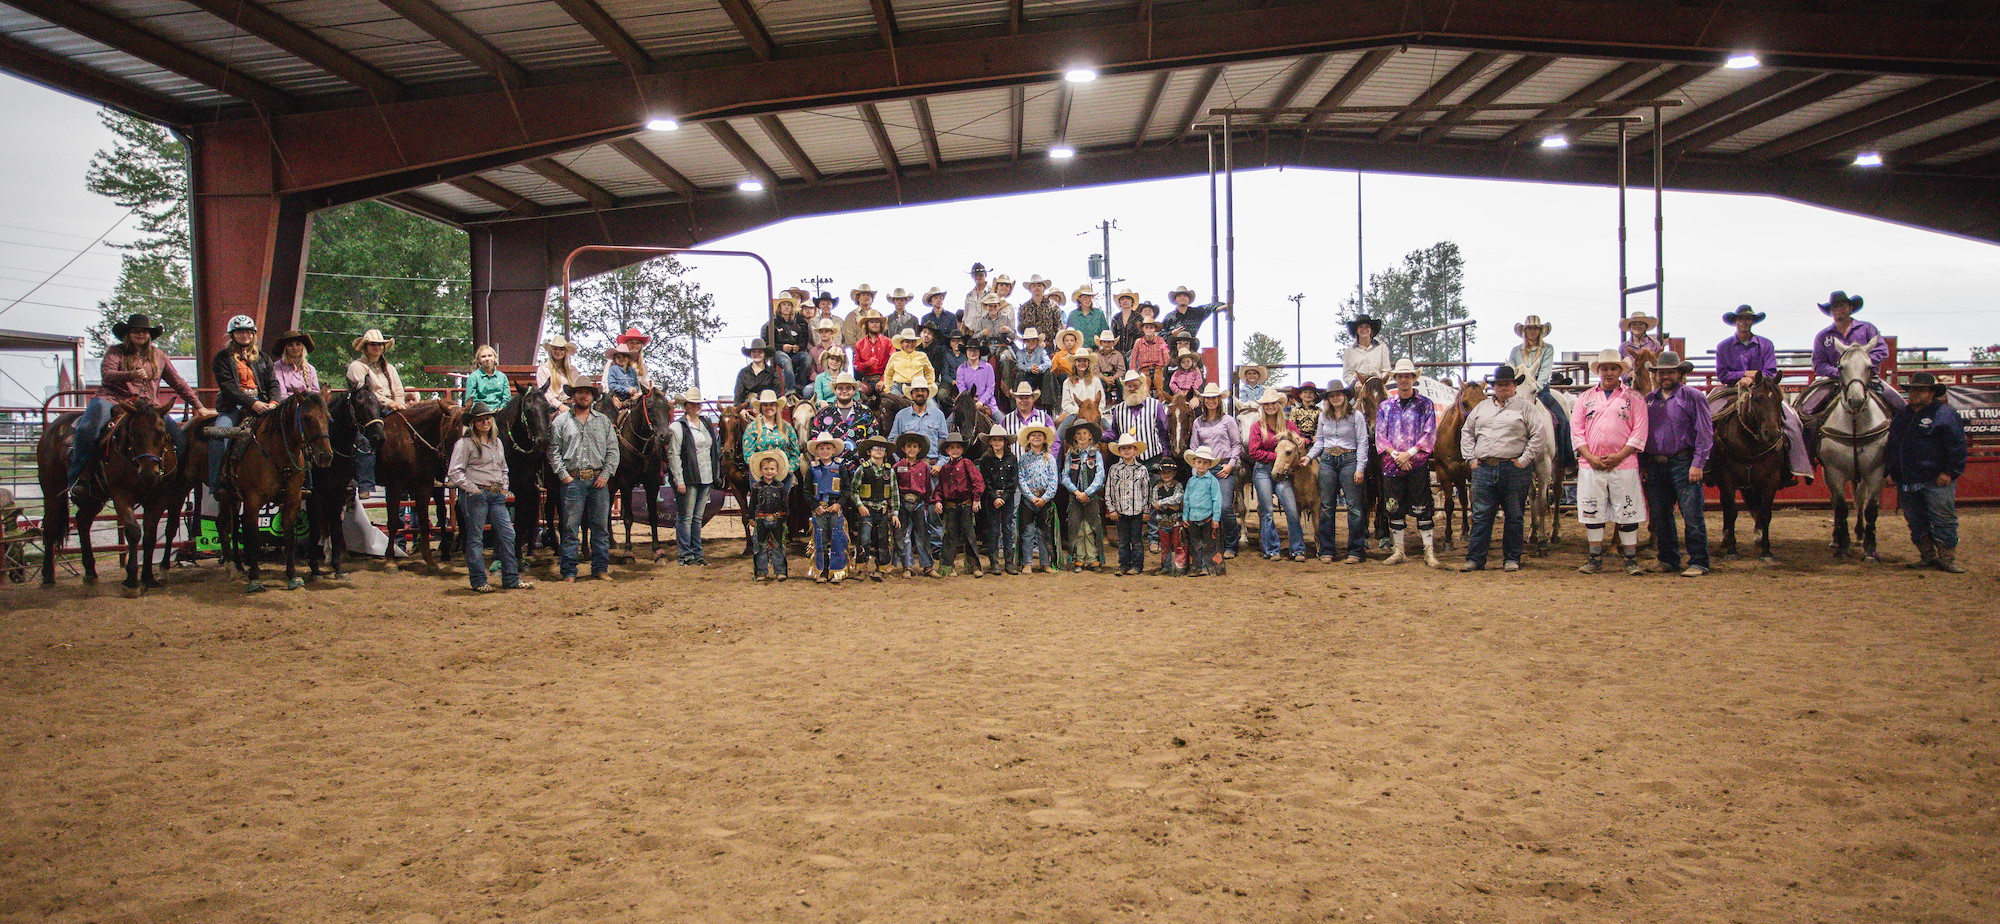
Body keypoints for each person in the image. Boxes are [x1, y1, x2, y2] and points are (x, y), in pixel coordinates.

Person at [68, 313, 204, 490]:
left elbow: (178, 382)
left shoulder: (159, 356)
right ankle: (80, 478)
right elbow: (107, 375)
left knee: (180, 440)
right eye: (135, 331)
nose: (141, 334)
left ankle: (174, 484)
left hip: (148, 406)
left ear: (150, 335)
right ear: (128, 334)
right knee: (88, 430)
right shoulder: (115, 352)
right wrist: (129, 375)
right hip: (112, 399)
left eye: (145, 332)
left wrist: (198, 406)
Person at [1456, 364, 1545, 572]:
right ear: (1494, 387)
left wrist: (1524, 459)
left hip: (1513, 467)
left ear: (1514, 385)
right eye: (1499, 384)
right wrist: (1471, 459)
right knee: (1481, 516)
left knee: (1514, 515)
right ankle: (1475, 558)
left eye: (1507, 384)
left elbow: (1538, 436)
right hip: (1484, 467)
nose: (1503, 388)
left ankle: (1512, 558)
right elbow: (1467, 432)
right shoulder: (1481, 408)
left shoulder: (1526, 408)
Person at [1572, 348, 1651, 576]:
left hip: (1624, 463)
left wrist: (1619, 455)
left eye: (1613, 368)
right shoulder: (1585, 398)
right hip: (1591, 464)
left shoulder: (1634, 398)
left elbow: (1639, 431)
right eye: (1604, 368)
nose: (1608, 372)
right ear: (1599, 371)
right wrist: (1589, 456)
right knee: (1592, 511)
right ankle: (1595, 558)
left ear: (1620, 371)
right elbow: (1577, 431)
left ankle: (1630, 559)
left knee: (1627, 511)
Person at [1713, 305, 1814, 482]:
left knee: (1793, 421)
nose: (1744, 322)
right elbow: (1722, 374)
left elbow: (1770, 371)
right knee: (1708, 415)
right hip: (1730, 388)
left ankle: (1797, 467)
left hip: (1763, 389)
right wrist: (1743, 375)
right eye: (1741, 319)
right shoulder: (1723, 346)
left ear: (1752, 321)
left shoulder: (1765, 344)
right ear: (1735, 322)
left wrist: (1753, 378)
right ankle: (1708, 466)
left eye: (1748, 319)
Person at [1640, 351, 1713, 577]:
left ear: (1680, 373)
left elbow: (1704, 432)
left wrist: (1698, 463)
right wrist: (1643, 464)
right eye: (1662, 373)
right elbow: (1643, 434)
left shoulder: (1693, 397)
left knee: (1692, 514)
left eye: (1670, 372)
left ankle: (1699, 561)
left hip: (1684, 460)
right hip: (1655, 463)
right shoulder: (1649, 400)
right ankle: (1668, 558)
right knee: (1661, 515)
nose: (1665, 377)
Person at [448, 401, 533, 592]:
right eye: (481, 420)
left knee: (507, 534)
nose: (485, 422)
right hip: (476, 493)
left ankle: (511, 577)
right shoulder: (465, 443)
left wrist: (504, 486)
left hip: (494, 493)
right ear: (474, 423)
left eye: (487, 419)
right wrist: (472, 488)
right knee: (476, 537)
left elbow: (504, 468)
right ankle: (479, 581)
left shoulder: (497, 442)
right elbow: (454, 471)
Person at [1887, 372, 1967, 573]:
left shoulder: (1944, 415)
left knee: (1942, 517)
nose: (1914, 394)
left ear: (1932, 393)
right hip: (1907, 478)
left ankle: (1946, 558)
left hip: (1935, 478)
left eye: (1920, 390)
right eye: (1912, 390)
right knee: (1916, 520)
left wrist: (1949, 472)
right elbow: (1893, 445)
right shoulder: (1903, 416)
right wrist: (1890, 470)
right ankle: (1928, 556)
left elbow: (1957, 445)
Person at [548, 381, 619, 582]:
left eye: (587, 393)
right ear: (573, 396)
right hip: (573, 479)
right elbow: (553, 451)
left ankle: (600, 568)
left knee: (600, 527)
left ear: (593, 397)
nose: (584, 396)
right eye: (580, 392)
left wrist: (605, 474)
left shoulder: (603, 422)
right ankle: (569, 571)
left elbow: (613, 451)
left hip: (598, 478)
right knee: (570, 528)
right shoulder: (560, 422)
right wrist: (564, 475)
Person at [1376, 359, 1439, 568]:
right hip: (1392, 464)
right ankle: (1399, 550)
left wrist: (1408, 454)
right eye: (1400, 376)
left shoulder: (1425, 404)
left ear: (1413, 378)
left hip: (1416, 463)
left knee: (1423, 506)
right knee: (1394, 507)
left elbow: (1429, 433)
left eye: (1407, 376)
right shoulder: (1385, 406)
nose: (1404, 380)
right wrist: (1397, 456)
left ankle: (1428, 551)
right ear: (1395, 379)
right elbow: (1380, 436)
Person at [1805, 289, 1906, 419]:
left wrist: (1860, 366)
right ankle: (1808, 437)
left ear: (1850, 308)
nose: (1838, 309)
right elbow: (1818, 364)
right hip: (1833, 381)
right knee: (1806, 410)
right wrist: (1839, 372)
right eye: (1834, 307)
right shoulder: (1823, 336)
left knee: (1902, 408)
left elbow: (1881, 350)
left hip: (1868, 379)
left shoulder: (1867, 328)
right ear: (1830, 311)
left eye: (1842, 306)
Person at [207, 314, 278, 490]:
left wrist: (274, 402)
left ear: (253, 334)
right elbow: (228, 386)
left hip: (264, 405)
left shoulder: (263, 358)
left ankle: (301, 482)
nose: (244, 335)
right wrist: (252, 404)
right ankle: (218, 483)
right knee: (219, 435)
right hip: (233, 407)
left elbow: (273, 383)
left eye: (247, 332)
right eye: (239, 332)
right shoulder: (222, 358)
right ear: (232, 335)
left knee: (290, 432)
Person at [1306, 382, 1371, 564]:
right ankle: (1327, 550)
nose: (1335, 398)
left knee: (1354, 507)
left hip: (1349, 459)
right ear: (1328, 398)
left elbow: (1362, 442)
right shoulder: (1323, 417)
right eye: (1331, 395)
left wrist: (1360, 468)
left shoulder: (1355, 416)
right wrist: (1309, 456)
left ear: (1344, 396)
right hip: (1327, 459)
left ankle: (1356, 550)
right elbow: (1319, 441)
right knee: (1326, 506)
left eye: (1338, 394)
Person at [1246, 387, 1306, 561]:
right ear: (1263, 407)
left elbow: (1301, 440)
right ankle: (1271, 549)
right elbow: (1253, 451)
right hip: (1263, 469)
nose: (1270, 406)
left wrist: (1303, 440)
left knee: (1291, 509)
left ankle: (1297, 549)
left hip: (1283, 471)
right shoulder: (1257, 427)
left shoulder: (1288, 425)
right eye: (1267, 404)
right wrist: (1278, 456)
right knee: (1267, 510)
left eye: (1273, 403)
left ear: (1279, 405)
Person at [346, 328, 406, 498]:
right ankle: (366, 483)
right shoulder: (357, 367)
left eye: (380, 344)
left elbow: (399, 390)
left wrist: (399, 404)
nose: (377, 347)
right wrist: (390, 402)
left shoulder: (390, 368)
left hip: (391, 408)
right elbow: (365, 394)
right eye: (373, 344)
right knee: (363, 439)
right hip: (366, 412)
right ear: (365, 346)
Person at [1508, 315, 1572, 467]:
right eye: (1529, 328)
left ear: (1540, 330)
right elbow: (1511, 371)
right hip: (1518, 391)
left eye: (1536, 328)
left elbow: (1545, 370)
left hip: (1540, 390)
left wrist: (1537, 387)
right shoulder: (1516, 351)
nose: (1532, 332)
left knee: (1562, 420)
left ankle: (1566, 459)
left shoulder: (1547, 349)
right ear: (1524, 330)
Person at [1189, 383, 1244, 558]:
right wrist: (1195, 467)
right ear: (1203, 401)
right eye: (1208, 398)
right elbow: (1194, 446)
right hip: (1204, 467)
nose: (1211, 401)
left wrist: (1231, 464)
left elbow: (1236, 444)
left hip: (1224, 466)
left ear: (1219, 400)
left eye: (1214, 398)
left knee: (1225, 506)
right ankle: (1209, 544)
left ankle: (1231, 544)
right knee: (1204, 506)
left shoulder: (1228, 420)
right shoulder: (1198, 422)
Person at [667, 388, 720, 566]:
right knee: (686, 517)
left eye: (698, 403)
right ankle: (686, 554)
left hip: (705, 475)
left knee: (696, 518)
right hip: (688, 477)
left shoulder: (704, 423)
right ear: (686, 406)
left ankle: (696, 552)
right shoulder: (677, 427)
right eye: (692, 404)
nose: (696, 406)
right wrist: (678, 480)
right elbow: (673, 455)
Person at [934, 432, 987, 577]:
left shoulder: (967, 464)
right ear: (947, 451)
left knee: (969, 536)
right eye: (952, 448)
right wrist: (938, 500)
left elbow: (978, 481)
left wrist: (976, 498)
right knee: (950, 536)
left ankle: (974, 566)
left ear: (962, 450)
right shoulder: (944, 469)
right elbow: (940, 488)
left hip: (966, 505)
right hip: (950, 506)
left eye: (958, 447)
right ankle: (947, 566)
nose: (955, 450)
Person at [847, 436, 898, 581]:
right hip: (867, 510)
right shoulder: (862, 469)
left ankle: (881, 568)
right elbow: (854, 490)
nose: (879, 451)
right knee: (863, 540)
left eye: (882, 448)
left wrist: (894, 512)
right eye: (876, 448)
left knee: (882, 540)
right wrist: (860, 505)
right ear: (869, 452)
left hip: (882, 510)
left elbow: (894, 494)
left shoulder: (890, 471)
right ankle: (861, 569)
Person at [805, 433, 850, 584]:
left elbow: (846, 489)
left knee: (838, 539)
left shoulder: (840, 467)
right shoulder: (812, 469)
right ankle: (822, 570)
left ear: (833, 450)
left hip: (835, 507)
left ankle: (837, 570)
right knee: (820, 539)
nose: (825, 451)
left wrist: (839, 504)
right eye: (822, 448)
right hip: (820, 509)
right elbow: (806, 491)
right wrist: (815, 506)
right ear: (817, 451)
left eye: (828, 448)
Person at [1061, 420, 1106, 571]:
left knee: (1091, 527)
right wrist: (1076, 492)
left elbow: (1100, 476)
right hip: (1075, 496)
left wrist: (1087, 492)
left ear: (1090, 436)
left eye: (1084, 433)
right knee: (1077, 528)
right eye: (1078, 434)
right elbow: (1065, 477)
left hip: (1091, 497)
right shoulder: (1070, 455)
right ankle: (1078, 558)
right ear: (1074, 437)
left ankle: (1093, 558)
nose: (1081, 436)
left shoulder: (1096, 455)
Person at [1015, 424, 1061, 573]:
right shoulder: (1023, 459)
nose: (1036, 438)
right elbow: (1020, 479)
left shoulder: (1050, 459)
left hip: (1045, 499)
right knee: (1027, 531)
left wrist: (1045, 497)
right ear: (1028, 439)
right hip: (1029, 499)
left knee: (1044, 531)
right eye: (1033, 435)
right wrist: (1030, 496)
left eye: (1039, 435)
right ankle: (1027, 562)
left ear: (1044, 439)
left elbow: (1054, 480)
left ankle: (1045, 563)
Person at [893, 433, 938, 578]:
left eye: (914, 447)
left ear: (919, 449)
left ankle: (927, 566)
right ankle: (907, 566)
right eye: (909, 447)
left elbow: (927, 486)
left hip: (919, 503)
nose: (911, 449)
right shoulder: (897, 467)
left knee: (923, 535)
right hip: (902, 503)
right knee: (903, 535)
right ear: (903, 449)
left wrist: (927, 503)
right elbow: (893, 487)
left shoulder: (924, 466)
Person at [810, 371, 874, 472]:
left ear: (854, 391)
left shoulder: (866, 412)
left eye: (848, 388)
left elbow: (873, 439)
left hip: (860, 468)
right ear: (835, 391)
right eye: (840, 388)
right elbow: (815, 436)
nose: (844, 391)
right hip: (831, 468)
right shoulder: (824, 413)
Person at [1105, 433, 1150, 576]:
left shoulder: (1142, 469)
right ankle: (1124, 565)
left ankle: (1137, 565)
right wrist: (1111, 508)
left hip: (1136, 510)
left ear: (1135, 450)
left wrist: (1146, 510)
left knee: (1136, 539)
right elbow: (1109, 489)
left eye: (1129, 448)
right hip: (1120, 510)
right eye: (1123, 448)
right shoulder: (1114, 469)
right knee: (1123, 540)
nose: (1126, 451)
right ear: (1119, 451)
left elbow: (1146, 490)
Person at [1105, 370, 1168, 470]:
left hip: (1153, 458)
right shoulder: (1118, 409)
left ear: (1142, 386)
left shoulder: (1156, 405)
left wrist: (1166, 455)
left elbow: (1163, 431)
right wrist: (1101, 436)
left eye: (1135, 385)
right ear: (1125, 388)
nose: (1132, 389)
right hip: (1128, 461)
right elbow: (1115, 432)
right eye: (1129, 386)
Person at [977, 427, 1019, 574]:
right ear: (990, 442)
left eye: (1000, 439)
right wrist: (995, 497)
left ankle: (1009, 562)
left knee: (1008, 528)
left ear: (1005, 442)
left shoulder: (1012, 458)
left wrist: (1005, 497)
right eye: (994, 439)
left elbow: (1013, 481)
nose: (997, 442)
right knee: (994, 530)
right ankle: (994, 562)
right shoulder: (985, 460)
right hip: (991, 498)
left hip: (1007, 498)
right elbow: (985, 481)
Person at [746, 449, 791, 581]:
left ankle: (780, 571)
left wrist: (785, 518)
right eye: (766, 469)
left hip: (777, 518)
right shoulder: (756, 487)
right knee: (760, 546)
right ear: (761, 471)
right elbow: (752, 503)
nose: (769, 471)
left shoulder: (781, 487)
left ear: (777, 471)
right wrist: (750, 517)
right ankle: (761, 572)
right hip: (761, 518)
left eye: (772, 469)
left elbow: (785, 504)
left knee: (778, 546)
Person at [742, 390, 804, 484]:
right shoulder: (752, 428)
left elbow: (795, 452)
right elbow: (748, 454)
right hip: (759, 476)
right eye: (765, 405)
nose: (769, 407)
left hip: (784, 475)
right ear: (761, 407)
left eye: (772, 404)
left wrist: (787, 469)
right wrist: (761, 471)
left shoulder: (787, 427)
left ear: (776, 407)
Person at [1182, 446, 1226, 576]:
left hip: (1207, 517)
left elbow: (1217, 500)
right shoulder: (1191, 481)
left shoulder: (1212, 481)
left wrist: (1216, 518)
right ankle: (1196, 567)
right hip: (1194, 517)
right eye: (1199, 462)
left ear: (1210, 464)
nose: (1201, 465)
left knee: (1209, 544)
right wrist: (1185, 516)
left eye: (1205, 462)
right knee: (1195, 544)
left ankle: (1208, 567)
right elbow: (1187, 500)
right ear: (1194, 463)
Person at [890, 377, 950, 461]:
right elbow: (892, 441)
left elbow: (945, 442)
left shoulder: (938, 415)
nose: (920, 393)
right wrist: (900, 461)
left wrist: (940, 464)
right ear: (911, 394)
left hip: (932, 464)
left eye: (923, 390)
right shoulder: (901, 415)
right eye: (916, 390)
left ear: (928, 394)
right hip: (908, 464)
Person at [763, 295, 813, 395]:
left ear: (791, 308)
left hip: (794, 354)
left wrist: (798, 347)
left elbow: (802, 343)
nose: (786, 307)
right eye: (784, 305)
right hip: (778, 352)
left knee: (807, 357)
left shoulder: (797, 325)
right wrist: (782, 347)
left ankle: (799, 386)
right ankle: (790, 390)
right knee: (786, 361)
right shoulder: (772, 324)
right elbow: (767, 344)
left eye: (788, 305)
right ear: (779, 308)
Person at [1000, 382, 1059, 458]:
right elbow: (999, 442)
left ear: (1033, 399)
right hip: (1013, 467)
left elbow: (1055, 442)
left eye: (1027, 398)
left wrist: (1049, 459)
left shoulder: (1044, 417)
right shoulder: (1006, 420)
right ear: (1016, 399)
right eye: (1020, 398)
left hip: (1039, 466)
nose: (1023, 401)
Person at [1152, 460, 1187, 576]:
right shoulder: (1157, 487)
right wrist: (1168, 505)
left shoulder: (1178, 486)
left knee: (1178, 545)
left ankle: (1179, 566)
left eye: (1169, 472)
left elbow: (1178, 498)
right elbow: (1153, 503)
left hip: (1176, 521)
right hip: (1162, 522)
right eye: (1163, 473)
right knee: (1164, 546)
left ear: (1174, 473)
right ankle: (1165, 566)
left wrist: (1161, 503)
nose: (1166, 475)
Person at [733, 339, 785, 410]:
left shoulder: (772, 372)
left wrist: (762, 405)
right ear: (751, 354)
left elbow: (777, 392)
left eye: (760, 352)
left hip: (768, 406)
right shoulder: (743, 372)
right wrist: (741, 410)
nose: (756, 354)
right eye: (754, 352)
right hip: (747, 408)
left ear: (764, 354)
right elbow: (738, 394)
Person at [601, 342, 652, 412]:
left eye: (624, 357)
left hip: (631, 398)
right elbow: (611, 385)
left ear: (628, 359)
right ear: (615, 359)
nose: (622, 359)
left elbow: (637, 384)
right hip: (618, 396)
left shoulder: (632, 371)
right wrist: (626, 390)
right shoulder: (613, 369)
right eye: (618, 357)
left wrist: (635, 391)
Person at [269, 330, 320, 399]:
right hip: (287, 406)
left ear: (303, 347)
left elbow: (316, 394)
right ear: (285, 349)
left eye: (298, 344)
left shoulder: (311, 369)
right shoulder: (277, 367)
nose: (295, 348)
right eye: (290, 345)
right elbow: (282, 395)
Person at [851, 309, 892, 393]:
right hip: (866, 380)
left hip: (884, 379)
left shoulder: (888, 342)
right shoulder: (860, 344)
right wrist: (867, 364)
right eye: (871, 322)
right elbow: (856, 365)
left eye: (877, 322)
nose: (874, 324)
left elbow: (893, 364)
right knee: (858, 393)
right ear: (867, 325)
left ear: (881, 325)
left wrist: (883, 379)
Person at [884, 331, 936, 396]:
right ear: (901, 343)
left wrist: (929, 384)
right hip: (898, 388)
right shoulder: (894, 356)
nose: (910, 344)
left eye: (912, 341)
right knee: (893, 404)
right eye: (907, 341)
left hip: (918, 387)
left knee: (933, 406)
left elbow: (930, 371)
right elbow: (888, 374)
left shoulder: (922, 356)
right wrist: (887, 389)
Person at [1343, 316, 1389, 386]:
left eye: (1367, 326)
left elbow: (1386, 369)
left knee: (1391, 396)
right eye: (1361, 327)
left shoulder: (1381, 347)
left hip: (1378, 384)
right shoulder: (1349, 351)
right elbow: (1346, 375)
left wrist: (1380, 381)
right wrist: (1355, 383)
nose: (1364, 329)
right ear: (1357, 330)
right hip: (1358, 385)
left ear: (1371, 330)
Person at [1130, 317, 1171, 396]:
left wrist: (1166, 370)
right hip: (1144, 370)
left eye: (1151, 327)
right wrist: (1133, 371)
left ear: (1155, 329)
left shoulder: (1161, 340)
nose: (1149, 329)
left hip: (1158, 369)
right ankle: (1147, 406)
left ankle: (1161, 406)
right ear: (1143, 329)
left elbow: (1166, 355)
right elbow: (1133, 357)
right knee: (1145, 391)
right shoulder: (1138, 342)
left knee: (1161, 391)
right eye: (1146, 327)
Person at [1018, 275, 1063, 346]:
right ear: (1030, 289)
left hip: (1049, 345)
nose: (1037, 288)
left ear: (1044, 288)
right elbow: (1021, 328)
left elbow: (1058, 327)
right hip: (1031, 346)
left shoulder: (1053, 306)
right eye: (1034, 286)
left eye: (1039, 285)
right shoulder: (1024, 308)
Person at [535, 336, 580, 408]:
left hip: (570, 405)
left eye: (561, 349)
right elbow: (545, 392)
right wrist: (559, 405)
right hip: (550, 406)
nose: (558, 352)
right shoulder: (543, 369)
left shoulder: (572, 370)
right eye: (555, 349)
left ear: (565, 352)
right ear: (551, 351)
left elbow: (577, 389)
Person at [1059, 349, 1105, 420]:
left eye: (1085, 361)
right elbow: (1066, 403)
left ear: (1088, 363)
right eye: (1079, 361)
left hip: (1094, 413)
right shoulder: (1067, 382)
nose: (1082, 363)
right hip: (1074, 413)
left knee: (1108, 428)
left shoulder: (1096, 381)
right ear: (1075, 363)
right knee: (1061, 429)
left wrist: (1095, 411)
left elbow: (1101, 401)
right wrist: (1079, 411)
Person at [956, 340, 1000, 412]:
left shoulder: (988, 367)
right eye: (970, 350)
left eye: (975, 350)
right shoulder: (961, 369)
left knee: (1002, 421)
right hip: (967, 404)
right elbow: (962, 389)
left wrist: (981, 402)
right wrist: (970, 400)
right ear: (966, 352)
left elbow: (990, 388)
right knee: (949, 422)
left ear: (979, 352)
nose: (972, 353)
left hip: (988, 404)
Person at [464, 344, 511, 410]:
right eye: (483, 356)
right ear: (478, 360)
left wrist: (501, 409)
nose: (487, 359)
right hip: (480, 412)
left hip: (500, 412)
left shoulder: (502, 377)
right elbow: (470, 401)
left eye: (490, 356)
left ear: (495, 358)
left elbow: (506, 399)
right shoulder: (473, 377)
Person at [1015, 328, 1054, 399]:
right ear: (1024, 342)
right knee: (1019, 373)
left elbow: (1048, 362)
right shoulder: (1020, 353)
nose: (1031, 343)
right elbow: (1019, 365)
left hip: (1039, 376)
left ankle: (1047, 402)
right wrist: (1030, 369)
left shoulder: (1041, 351)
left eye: (1033, 341)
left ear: (1037, 341)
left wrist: (1039, 368)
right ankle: (1018, 399)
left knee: (1048, 373)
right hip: (1026, 375)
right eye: (1028, 341)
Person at [1092, 330, 1127, 404]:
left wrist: (1113, 378)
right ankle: (1103, 401)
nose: (1107, 344)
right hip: (1102, 377)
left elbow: (1121, 370)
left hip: (1115, 376)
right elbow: (1095, 371)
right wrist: (1104, 378)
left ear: (1113, 343)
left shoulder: (1118, 355)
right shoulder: (1096, 355)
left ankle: (1121, 401)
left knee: (1121, 382)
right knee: (1098, 382)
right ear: (1101, 343)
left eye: (1109, 342)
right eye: (1104, 342)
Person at [1109, 288, 1144, 353]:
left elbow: (1141, 337)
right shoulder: (1115, 318)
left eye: (1128, 298)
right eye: (1122, 299)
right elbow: (1112, 336)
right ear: (1119, 302)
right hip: (1118, 353)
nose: (1125, 301)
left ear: (1132, 302)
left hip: (1134, 354)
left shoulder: (1138, 318)